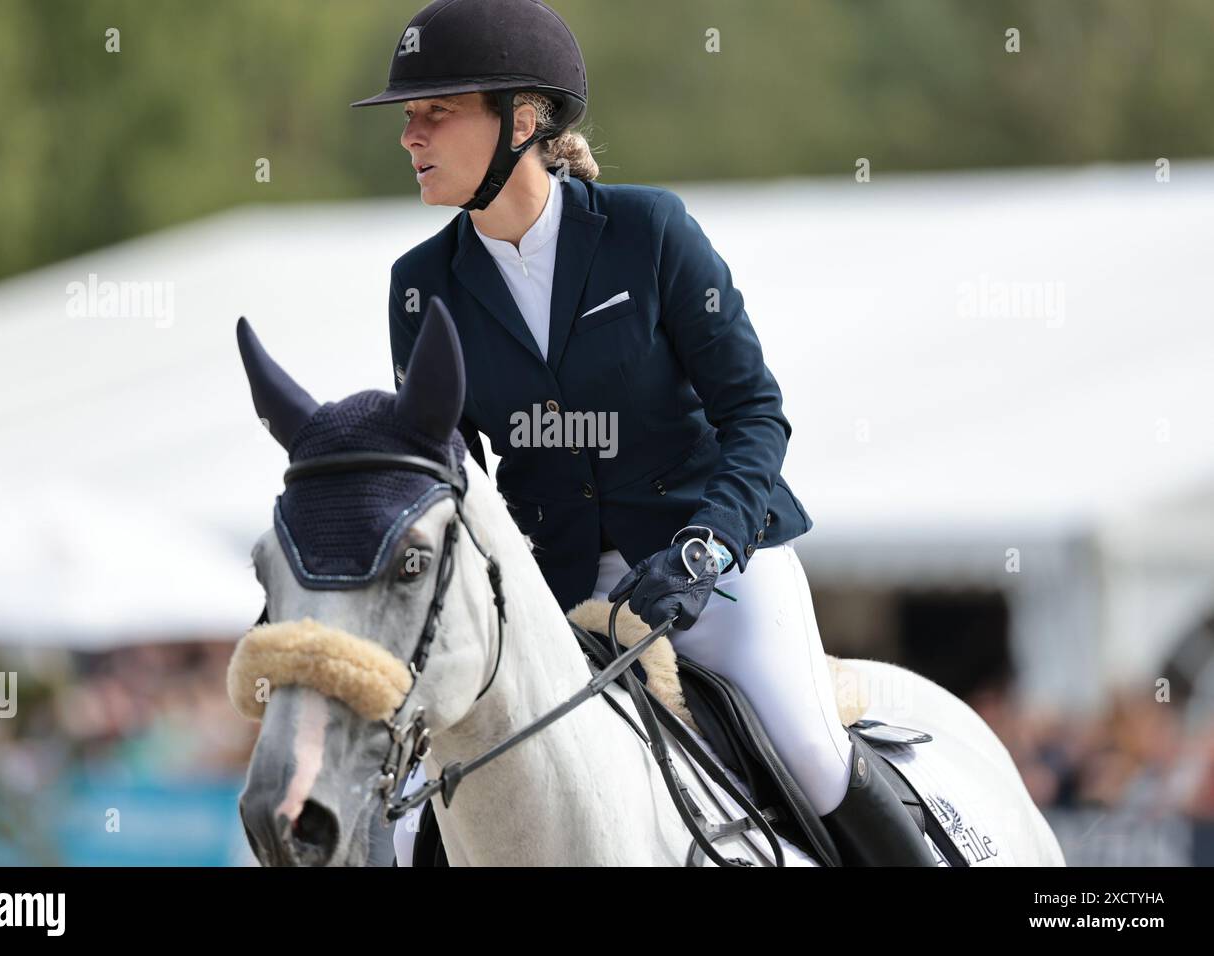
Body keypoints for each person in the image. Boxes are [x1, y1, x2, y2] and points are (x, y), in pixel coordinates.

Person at [353, 0, 936, 866]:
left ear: (521, 118)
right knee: (422, 820)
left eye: (436, 112)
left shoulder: (649, 232)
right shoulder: (419, 285)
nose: (412, 136)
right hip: (548, 591)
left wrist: (708, 547)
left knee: (811, 754)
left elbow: (755, 413)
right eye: (409, 116)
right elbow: (447, 478)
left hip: (713, 560)